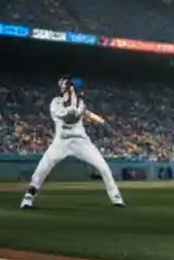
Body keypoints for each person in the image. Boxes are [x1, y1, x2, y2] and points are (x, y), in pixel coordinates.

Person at [20, 76, 125, 210]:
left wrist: (102, 122)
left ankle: (116, 198)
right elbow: (71, 117)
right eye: (72, 87)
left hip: (81, 142)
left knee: (103, 167)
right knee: (42, 169)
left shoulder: (80, 102)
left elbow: (86, 113)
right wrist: (74, 101)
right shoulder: (55, 103)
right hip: (61, 142)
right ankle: (27, 200)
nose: (75, 90)